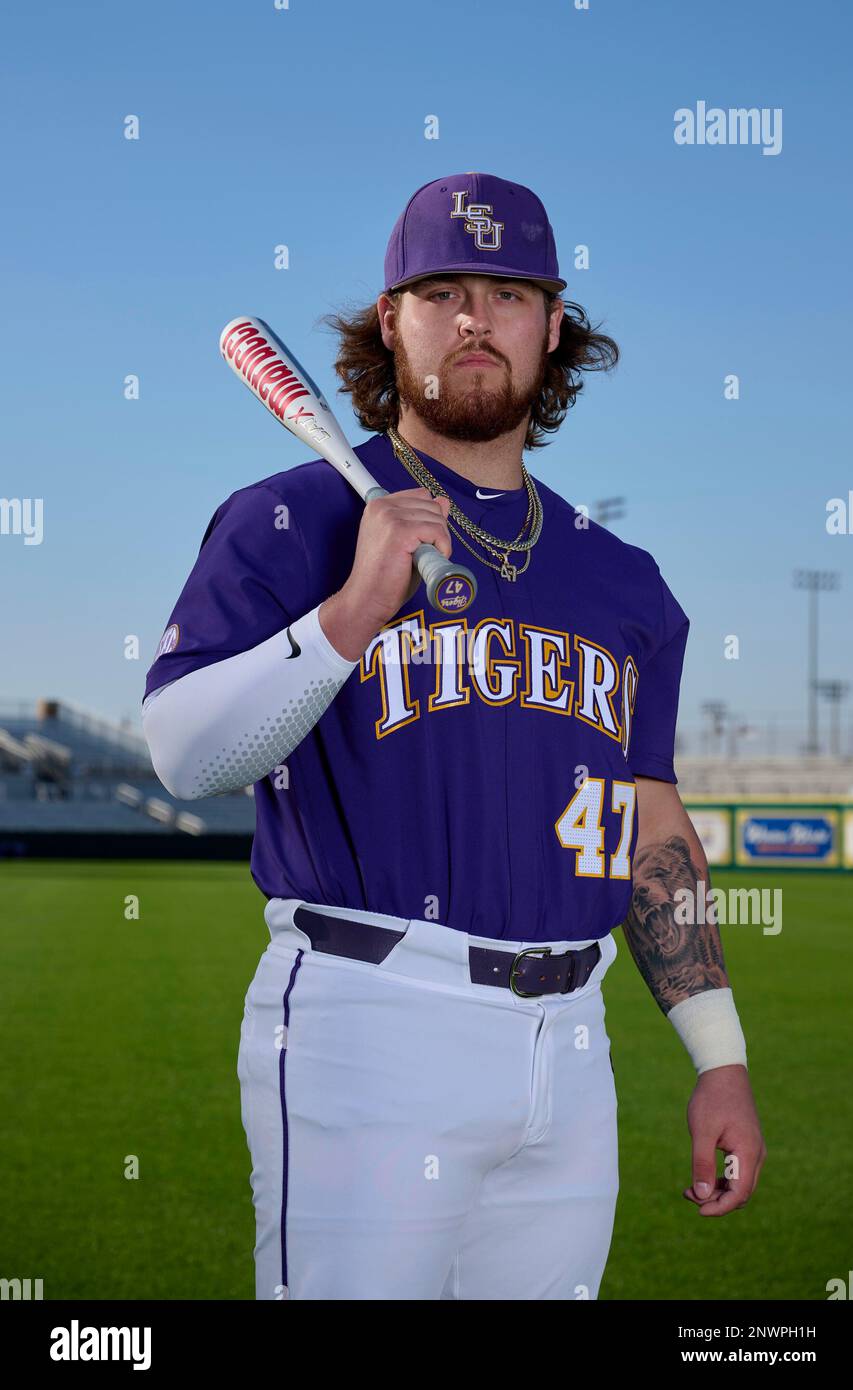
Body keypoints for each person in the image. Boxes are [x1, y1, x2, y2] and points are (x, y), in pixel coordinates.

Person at [141, 171, 765, 1301]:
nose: (475, 317)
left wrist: (717, 1058)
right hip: (367, 1021)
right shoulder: (294, 519)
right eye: (441, 290)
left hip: (572, 1043)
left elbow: (651, 827)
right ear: (392, 322)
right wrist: (346, 615)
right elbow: (183, 756)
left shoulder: (623, 583)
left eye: (507, 292)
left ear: (552, 324)